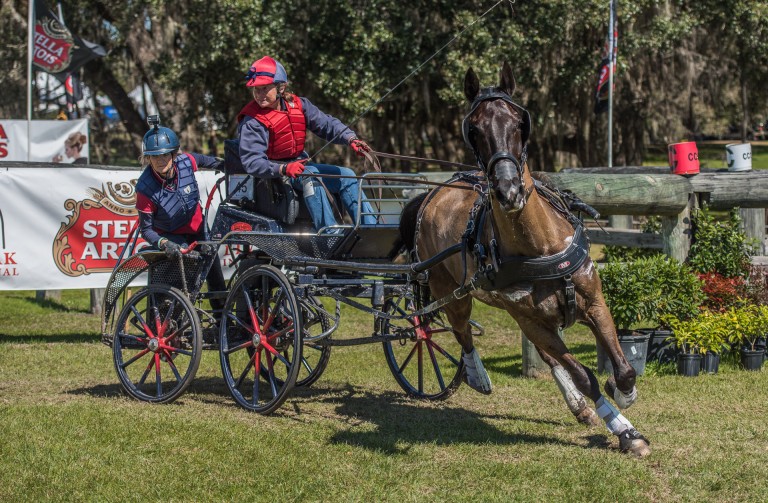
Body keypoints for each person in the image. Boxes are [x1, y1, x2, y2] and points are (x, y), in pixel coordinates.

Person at [237, 55, 376, 231]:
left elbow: (326, 124)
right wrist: (284, 169)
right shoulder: (252, 121)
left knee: (347, 175)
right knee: (311, 178)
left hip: (301, 168)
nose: (259, 95)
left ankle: (370, 230)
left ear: (281, 87)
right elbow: (252, 162)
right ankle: (329, 233)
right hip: (276, 175)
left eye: (265, 88)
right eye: (255, 89)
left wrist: (351, 139)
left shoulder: (298, 104)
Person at [135, 119, 226, 317]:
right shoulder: (144, 189)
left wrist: (228, 166)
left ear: (174, 154)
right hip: (170, 235)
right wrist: (163, 242)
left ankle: (223, 322)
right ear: (147, 158)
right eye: (154, 156)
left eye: (165, 154)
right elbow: (146, 230)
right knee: (182, 275)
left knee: (214, 271)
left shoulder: (187, 161)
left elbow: (209, 161)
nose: (160, 160)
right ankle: (175, 321)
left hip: (199, 229)